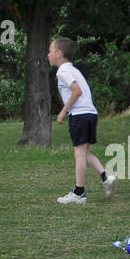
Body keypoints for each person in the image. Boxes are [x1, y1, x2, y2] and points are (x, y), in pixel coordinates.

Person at [48, 37, 116, 204]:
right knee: (85, 153)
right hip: (91, 113)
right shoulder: (74, 70)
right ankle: (106, 178)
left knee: (79, 154)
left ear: (59, 53)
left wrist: (63, 111)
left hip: (79, 114)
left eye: (50, 51)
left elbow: (76, 91)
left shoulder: (62, 71)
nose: (48, 54)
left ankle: (79, 193)